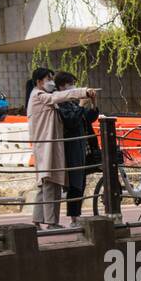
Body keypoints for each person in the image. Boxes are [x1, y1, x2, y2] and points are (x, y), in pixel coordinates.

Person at [26, 67, 97, 229]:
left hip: (46, 145)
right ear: (38, 82)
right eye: (48, 79)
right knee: (51, 183)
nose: (51, 82)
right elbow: (59, 97)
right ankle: (52, 223)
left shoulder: (39, 96)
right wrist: (82, 92)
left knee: (45, 184)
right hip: (48, 146)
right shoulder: (39, 95)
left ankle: (37, 222)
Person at [54, 72, 99, 226]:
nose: (73, 86)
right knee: (75, 182)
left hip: (83, 146)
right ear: (62, 86)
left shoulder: (72, 101)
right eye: (71, 83)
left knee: (81, 181)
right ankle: (74, 217)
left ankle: (77, 214)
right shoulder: (61, 102)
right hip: (71, 146)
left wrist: (93, 102)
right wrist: (80, 104)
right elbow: (71, 121)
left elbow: (89, 117)